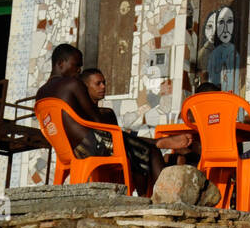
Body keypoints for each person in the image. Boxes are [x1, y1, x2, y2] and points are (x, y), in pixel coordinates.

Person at [37, 44, 163, 197]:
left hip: (67, 149)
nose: (79, 71)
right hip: (90, 145)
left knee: (130, 146)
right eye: (76, 65)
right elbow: (97, 121)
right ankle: (152, 200)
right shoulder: (72, 84)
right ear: (61, 63)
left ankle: (154, 145)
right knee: (150, 152)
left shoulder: (41, 93)